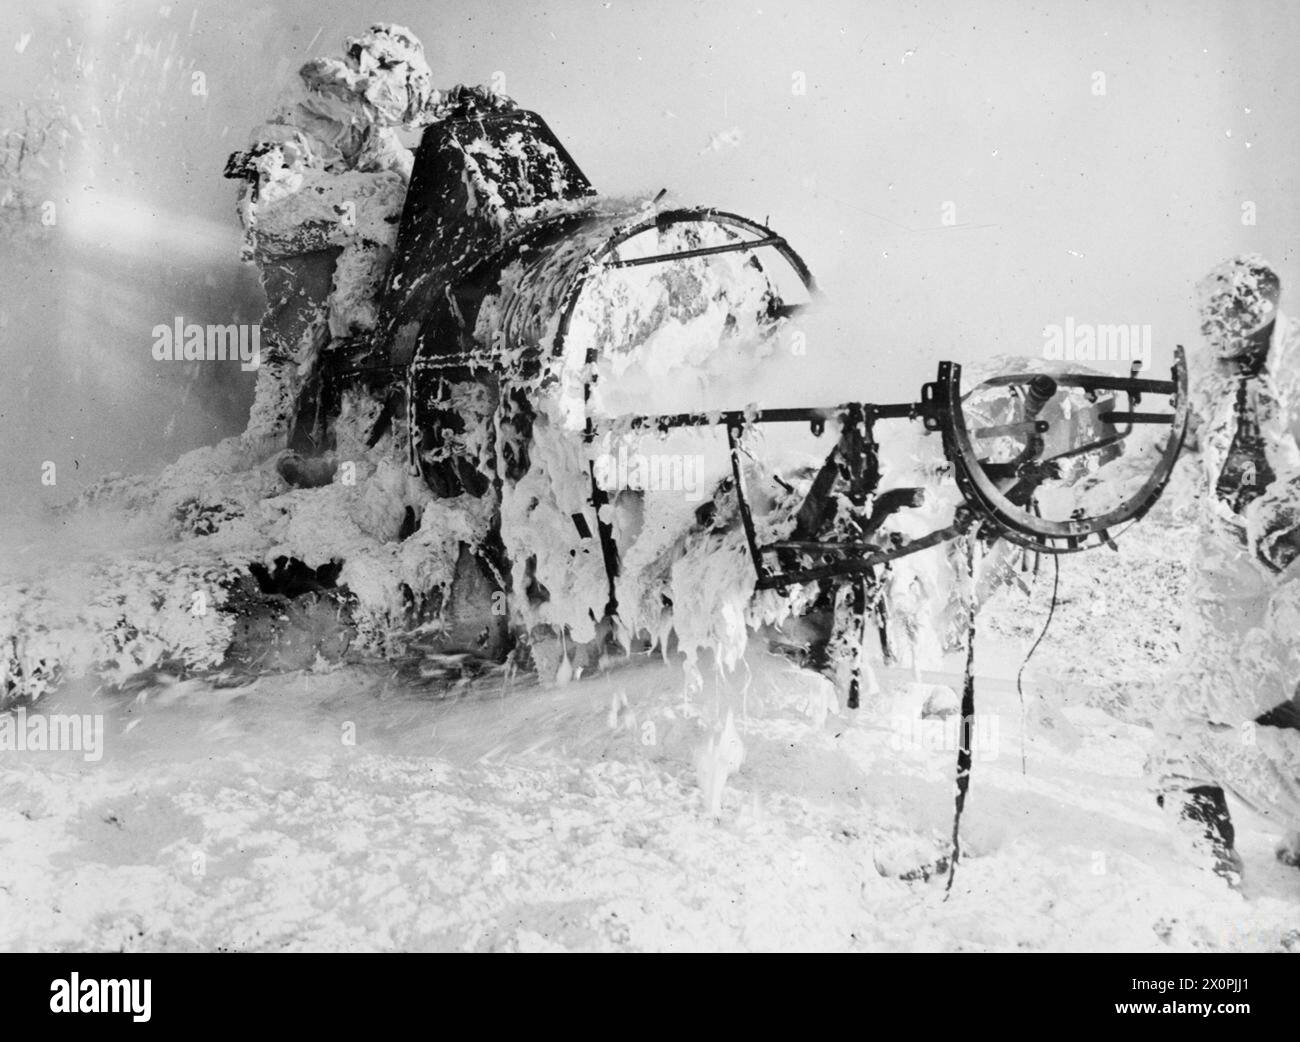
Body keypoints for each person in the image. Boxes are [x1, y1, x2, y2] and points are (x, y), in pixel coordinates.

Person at [1150, 254, 1300, 884]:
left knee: (1199, 728)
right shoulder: (1217, 379)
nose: (1216, 324)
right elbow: (1166, 452)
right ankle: (1231, 855)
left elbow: (1277, 495)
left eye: (1231, 311)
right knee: (1232, 711)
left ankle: (1211, 881)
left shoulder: (1282, 381)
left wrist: (1283, 514)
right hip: (1227, 582)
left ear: (1261, 312)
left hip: (1279, 588)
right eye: (1209, 313)